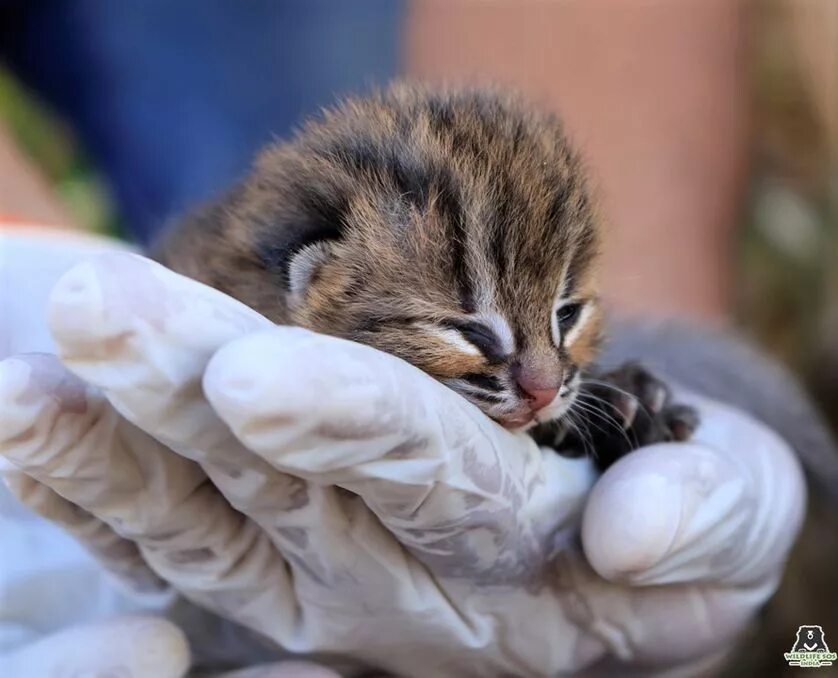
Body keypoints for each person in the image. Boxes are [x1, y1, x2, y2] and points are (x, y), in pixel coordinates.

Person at [0, 1, 814, 674]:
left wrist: (622, 417)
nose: (541, 381)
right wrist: (22, 247)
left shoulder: (500, 326)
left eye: (565, 319)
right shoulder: (296, 276)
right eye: (469, 333)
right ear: (315, 283)